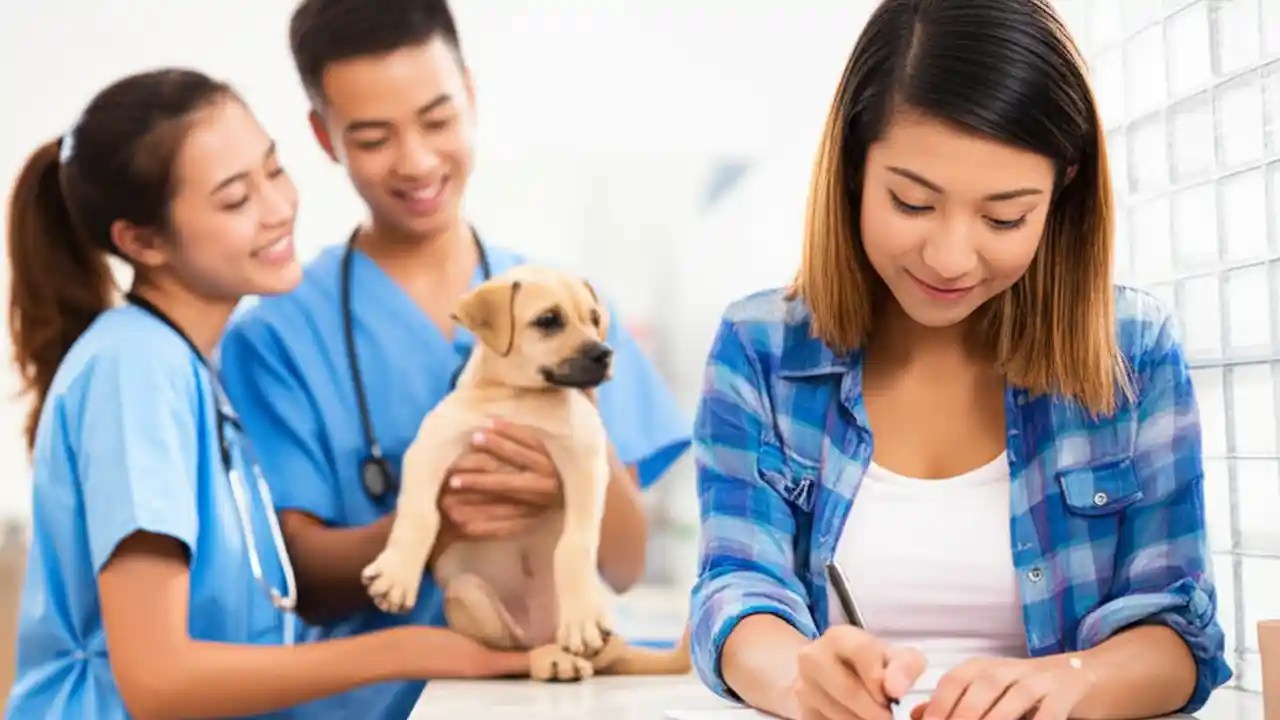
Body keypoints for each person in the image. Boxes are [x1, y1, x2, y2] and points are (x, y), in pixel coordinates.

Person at [687, 1, 1232, 720]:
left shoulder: (1131, 352)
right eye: (911, 203)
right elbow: (735, 587)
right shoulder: (760, 349)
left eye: (1005, 218)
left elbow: (1180, 632)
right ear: (854, 166)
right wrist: (798, 677)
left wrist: (1075, 681)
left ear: (1063, 188)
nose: (949, 258)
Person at [3, 68, 537, 720]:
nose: (279, 208)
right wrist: (411, 649)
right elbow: (157, 678)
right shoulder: (134, 371)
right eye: (235, 200)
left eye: (274, 171)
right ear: (141, 240)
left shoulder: (190, 366)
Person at [218, 0, 691, 716]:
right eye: (374, 137)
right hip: (366, 705)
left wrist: (570, 480)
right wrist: (441, 512)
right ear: (325, 135)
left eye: (437, 120)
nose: (416, 160)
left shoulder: (564, 309)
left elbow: (622, 565)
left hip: (547, 697)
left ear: (470, 94)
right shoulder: (277, 334)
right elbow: (300, 582)